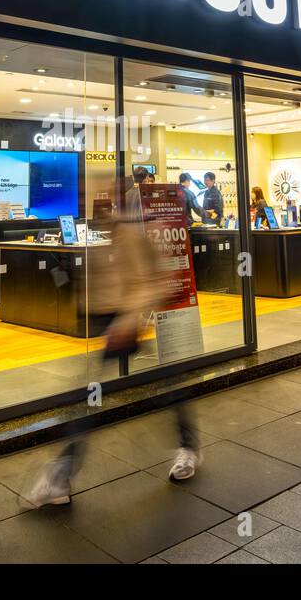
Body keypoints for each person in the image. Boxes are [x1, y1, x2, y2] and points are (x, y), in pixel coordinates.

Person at [24, 206, 201, 505]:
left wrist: (129, 318)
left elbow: (150, 278)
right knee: (158, 385)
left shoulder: (131, 234)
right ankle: (188, 445)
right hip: (110, 320)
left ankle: (61, 475)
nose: (101, 207)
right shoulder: (107, 235)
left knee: (97, 395)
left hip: (124, 323)